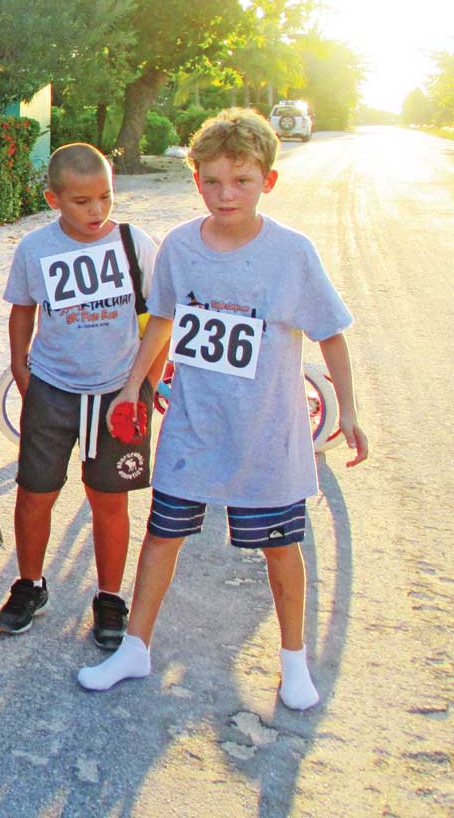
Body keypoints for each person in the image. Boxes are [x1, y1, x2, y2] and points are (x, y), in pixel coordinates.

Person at [78, 110, 369, 710]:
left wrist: (349, 409)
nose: (225, 193)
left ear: (268, 181)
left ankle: (294, 663)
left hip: (267, 432)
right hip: (192, 424)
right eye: (211, 181)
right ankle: (135, 647)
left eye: (240, 180)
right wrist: (134, 386)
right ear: (195, 179)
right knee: (162, 536)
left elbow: (332, 334)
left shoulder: (291, 252)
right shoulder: (181, 245)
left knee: (282, 550)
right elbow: (162, 319)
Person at [0, 143, 161, 651]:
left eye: (105, 198)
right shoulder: (35, 248)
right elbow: (21, 310)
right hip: (53, 390)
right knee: (35, 494)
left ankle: (109, 595)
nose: (97, 212)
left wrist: (142, 383)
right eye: (82, 202)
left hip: (118, 393)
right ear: (53, 198)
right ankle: (30, 583)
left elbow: (160, 319)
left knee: (108, 502)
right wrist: (24, 374)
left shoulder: (137, 243)